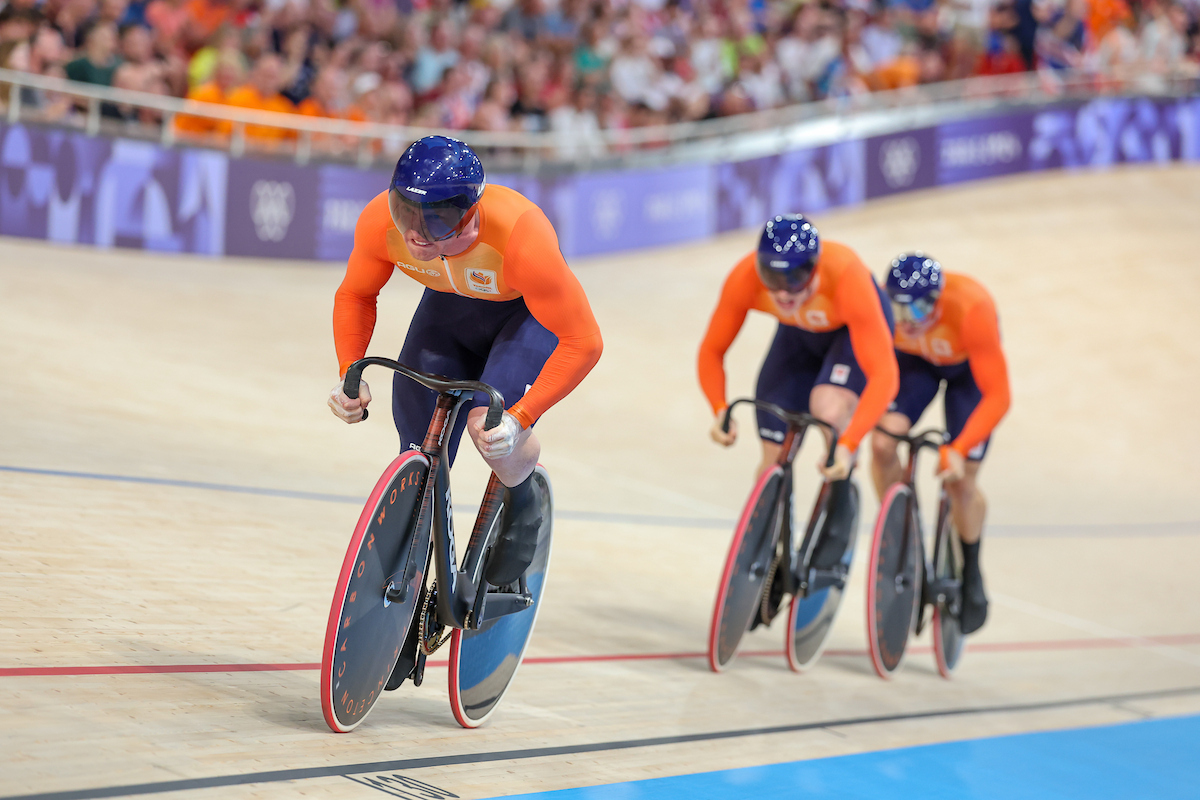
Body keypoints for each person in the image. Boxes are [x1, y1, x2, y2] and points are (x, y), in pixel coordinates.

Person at [328, 134, 602, 597]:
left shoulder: (522, 238)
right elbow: (355, 294)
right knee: (416, 444)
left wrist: (521, 417)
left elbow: (584, 341)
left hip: (523, 319)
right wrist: (349, 370)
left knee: (488, 430)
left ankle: (523, 498)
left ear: (471, 212)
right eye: (406, 212)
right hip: (448, 314)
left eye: (436, 218)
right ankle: (412, 563)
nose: (416, 232)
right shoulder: (379, 222)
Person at [699, 214, 898, 587]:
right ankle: (767, 549)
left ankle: (840, 494)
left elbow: (885, 376)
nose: (783, 292)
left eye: (795, 278)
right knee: (772, 455)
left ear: (816, 268)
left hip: (848, 336)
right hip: (798, 334)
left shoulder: (847, 278)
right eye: (772, 279)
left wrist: (848, 443)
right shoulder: (745, 278)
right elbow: (712, 350)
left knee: (828, 409)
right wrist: (719, 409)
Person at [870, 253, 1011, 635]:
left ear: (936, 300)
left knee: (960, 481)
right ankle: (901, 536)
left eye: (917, 309)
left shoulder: (971, 307)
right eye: (899, 309)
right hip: (915, 364)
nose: (906, 319)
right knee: (883, 443)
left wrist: (958, 449)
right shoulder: (884, 307)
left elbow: (999, 396)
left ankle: (971, 568)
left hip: (967, 375)